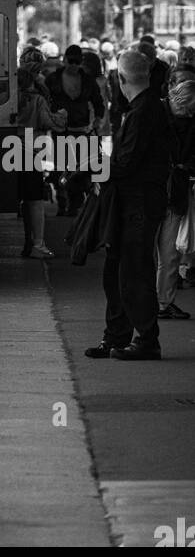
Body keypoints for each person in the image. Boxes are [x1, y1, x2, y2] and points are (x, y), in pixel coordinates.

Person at [85, 49, 168, 361]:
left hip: (139, 205)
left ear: (120, 79)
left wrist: (96, 166)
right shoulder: (142, 109)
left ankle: (147, 339)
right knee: (117, 269)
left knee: (134, 271)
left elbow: (127, 163)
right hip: (132, 203)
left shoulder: (144, 112)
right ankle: (116, 337)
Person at [45, 45, 105, 215]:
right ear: (64, 60)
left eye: (77, 62)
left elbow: (98, 102)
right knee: (62, 167)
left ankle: (75, 202)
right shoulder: (54, 79)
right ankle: (63, 201)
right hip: (61, 130)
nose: (73, 65)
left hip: (82, 130)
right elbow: (45, 100)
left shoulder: (87, 80)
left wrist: (98, 120)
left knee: (80, 169)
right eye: (70, 61)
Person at [16, 66, 66, 258]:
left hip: (6, 148)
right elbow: (49, 122)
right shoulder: (37, 100)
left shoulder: (6, 98)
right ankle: (37, 244)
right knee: (34, 200)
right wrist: (62, 115)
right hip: (31, 150)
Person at [157, 78, 194, 320]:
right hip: (156, 188)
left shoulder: (189, 121)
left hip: (174, 189)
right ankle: (157, 301)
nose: (190, 113)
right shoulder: (155, 113)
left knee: (169, 253)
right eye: (189, 107)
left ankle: (162, 302)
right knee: (162, 252)